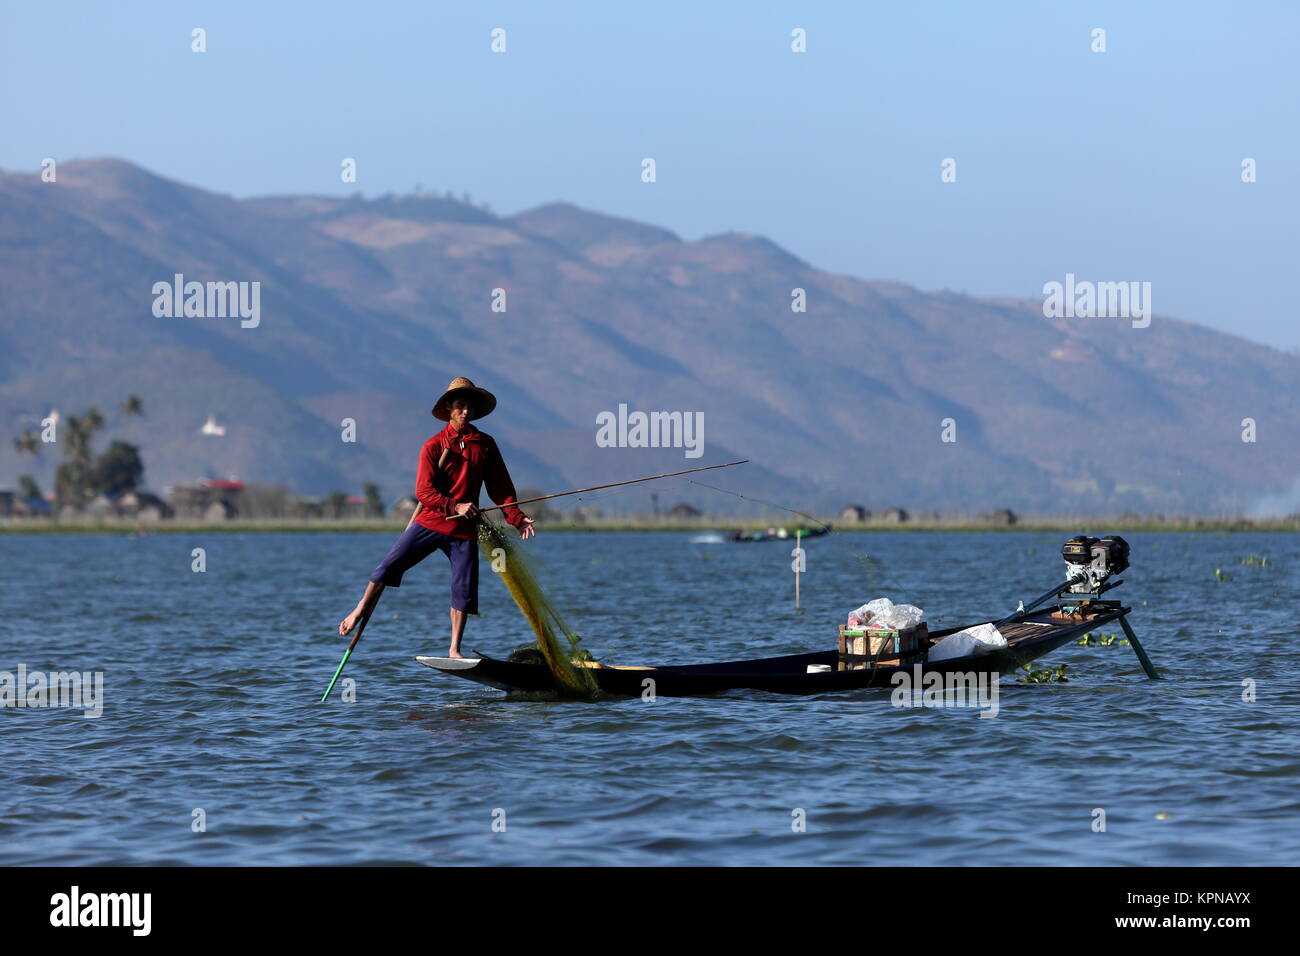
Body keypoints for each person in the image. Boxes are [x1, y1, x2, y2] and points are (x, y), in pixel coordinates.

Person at [338, 377, 535, 657]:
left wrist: (516, 517)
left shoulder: (485, 445)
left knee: (464, 589)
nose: (466, 412)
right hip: (430, 521)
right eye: (460, 406)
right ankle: (359, 609)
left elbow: (501, 487)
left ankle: (454, 649)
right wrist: (455, 506)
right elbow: (424, 492)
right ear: (449, 409)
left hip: (465, 529)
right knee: (387, 568)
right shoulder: (433, 446)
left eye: (470, 407)